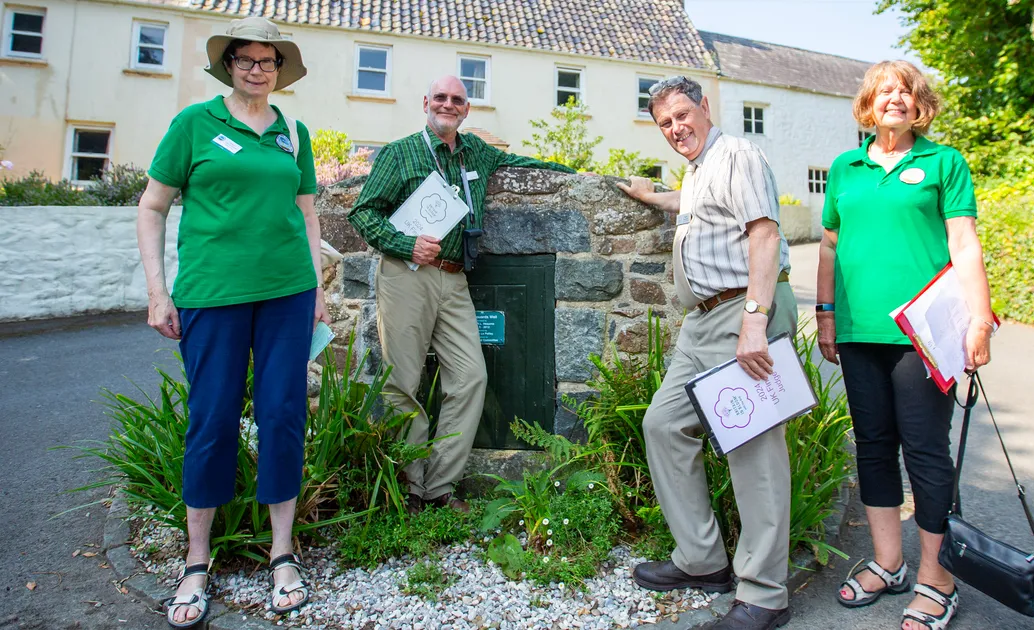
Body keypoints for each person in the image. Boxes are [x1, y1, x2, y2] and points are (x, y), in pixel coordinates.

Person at [136, 17, 325, 629]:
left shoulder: (293, 132)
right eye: (245, 59)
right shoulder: (194, 124)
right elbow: (152, 206)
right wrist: (158, 294)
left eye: (267, 60)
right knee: (211, 418)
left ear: (279, 69)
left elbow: (307, 214)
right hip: (211, 295)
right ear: (229, 65)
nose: (256, 69)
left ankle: (283, 553)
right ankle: (196, 561)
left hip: (287, 294)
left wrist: (317, 289)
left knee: (282, 413)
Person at [818, 60, 995, 630]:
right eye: (885, 91)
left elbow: (963, 245)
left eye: (906, 91)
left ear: (920, 103)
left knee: (924, 450)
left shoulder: (943, 162)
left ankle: (937, 579)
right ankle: (890, 563)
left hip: (924, 334)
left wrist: (980, 320)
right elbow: (828, 245)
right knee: (872, 445)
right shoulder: (846, 167)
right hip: (858, 331)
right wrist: (825, 315)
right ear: (868, 103)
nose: (896, 99)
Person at [346, 76, 575, 515]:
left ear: (466, 110)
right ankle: (411, 488)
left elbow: (524, 161)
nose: (448, 105)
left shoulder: (477, 152)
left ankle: (439, 485)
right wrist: (405, 243)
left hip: (453, 279)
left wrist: (577, 175)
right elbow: (363, 212)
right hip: (407, 273)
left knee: (471, 377)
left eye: (458, 100)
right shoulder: (399, 153)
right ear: (426, 102)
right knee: (402, 382)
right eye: (441, 98)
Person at [616, 76, 797, 630]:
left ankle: (765, 594)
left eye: (681, 115)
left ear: (704, 106)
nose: (675, 128)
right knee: (663, 425)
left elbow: (763, 233)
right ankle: (702, 560)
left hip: (744, 311)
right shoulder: (699, 171)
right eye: (665, 123)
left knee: (754, 451)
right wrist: (654, 197)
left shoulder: (738, 152)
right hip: (703, 323)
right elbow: (702, 207)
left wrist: (754, 322)